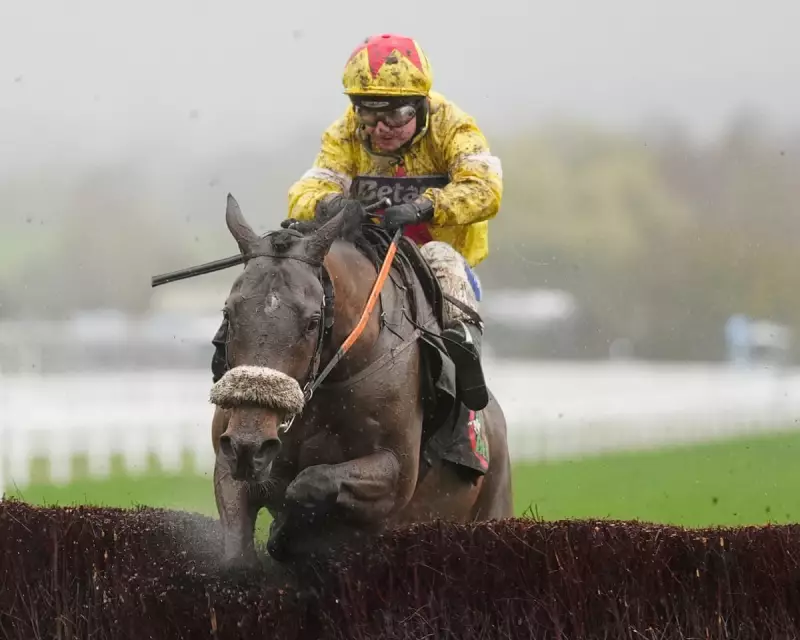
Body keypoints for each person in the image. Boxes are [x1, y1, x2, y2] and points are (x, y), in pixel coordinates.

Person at [283, 33, 502, 411]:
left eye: (397, 114)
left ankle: (463, 357)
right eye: (368, 112)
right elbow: (305, 191)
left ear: (422, 105)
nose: (381, 127)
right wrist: (332, 204)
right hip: (368, 253)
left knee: (441, 257)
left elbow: (486, 186)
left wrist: (425, 207)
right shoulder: (344, 133)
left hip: (435, 259)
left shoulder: (454, 126)